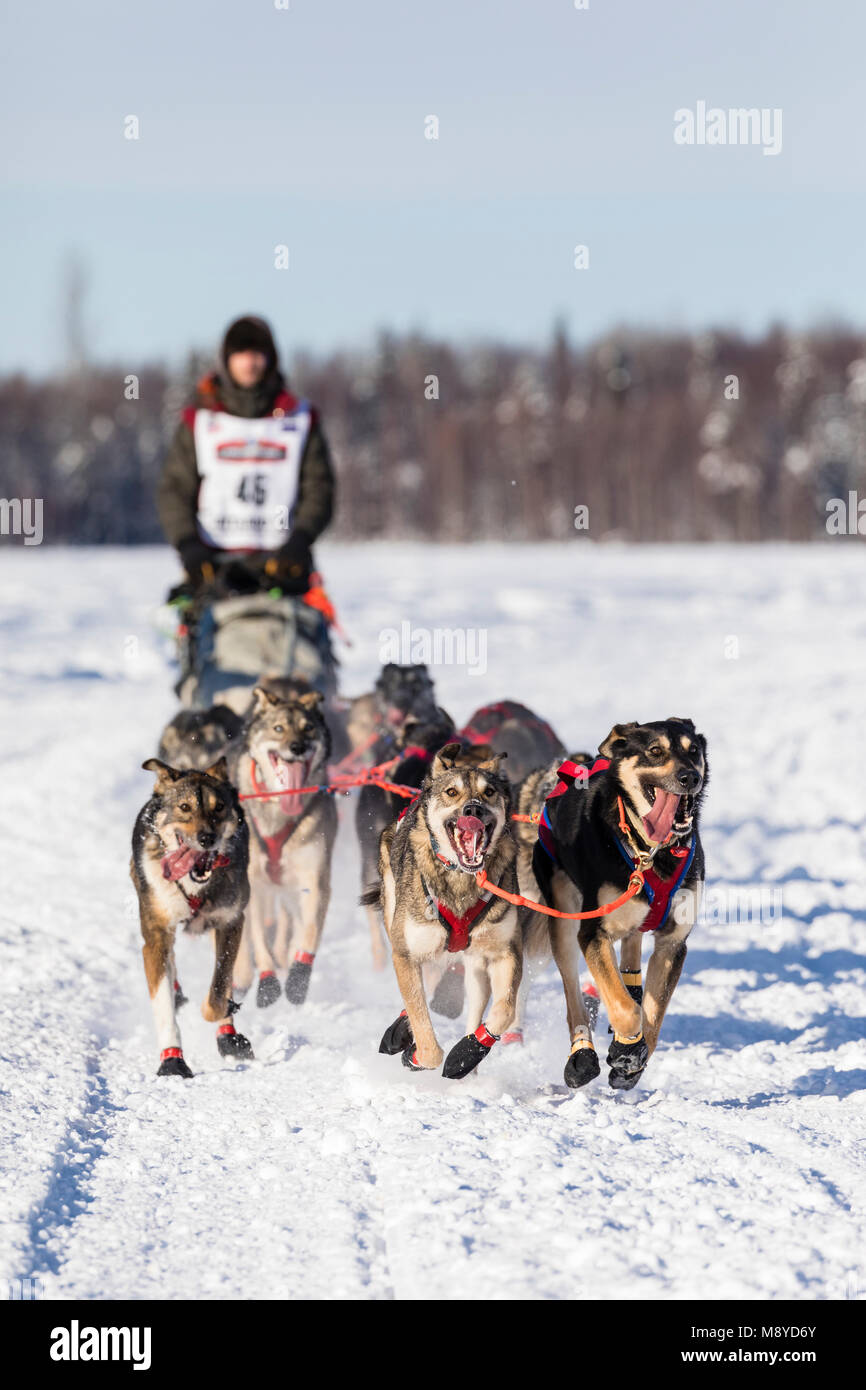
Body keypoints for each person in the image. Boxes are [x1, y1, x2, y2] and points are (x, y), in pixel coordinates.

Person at [157, 314, 335, 597]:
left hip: (284, 567)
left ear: (270, 358)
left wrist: (301, 540)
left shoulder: (299, 419)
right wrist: (188, 544)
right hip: (212, 567)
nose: (249, 363)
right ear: (227, 360)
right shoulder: (200, 422)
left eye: (257, 354)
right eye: (241, 353)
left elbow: (319, 487)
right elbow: (175, 491)